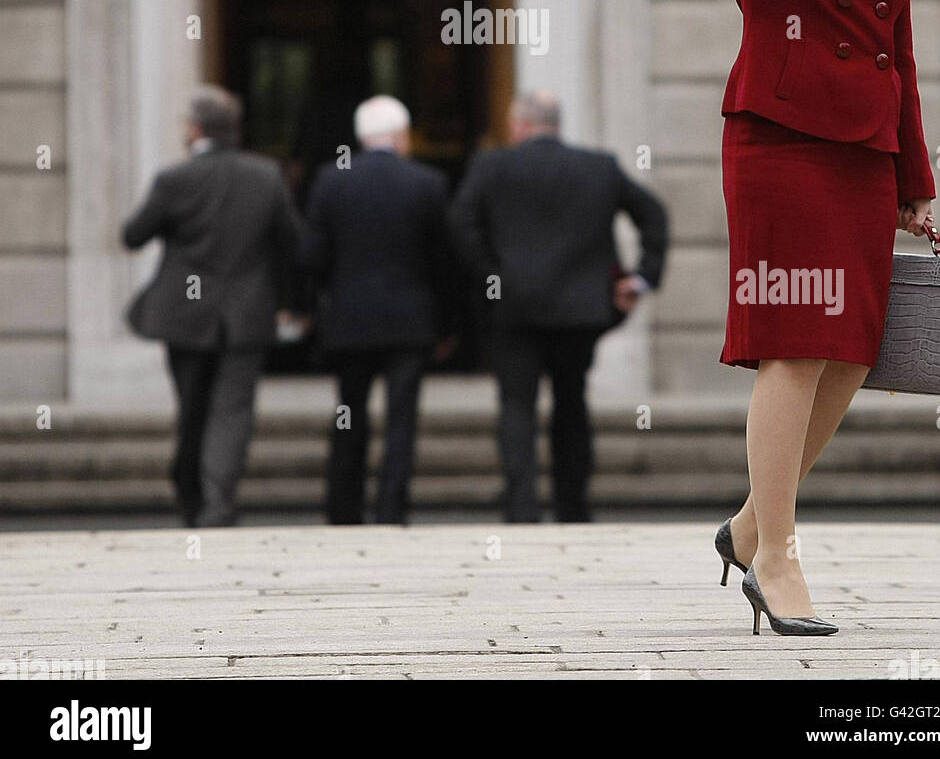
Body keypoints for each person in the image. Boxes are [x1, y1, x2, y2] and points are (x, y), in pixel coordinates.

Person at [674, 0, 935, 635]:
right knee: (794, 345)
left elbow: (897, 51)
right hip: (782, 144)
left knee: (851, 355)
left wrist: (915, 179)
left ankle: (748, 523)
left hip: (865, 153)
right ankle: (776, 555)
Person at [447, 92, 669, 523]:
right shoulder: (598, 167)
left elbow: (460, 223)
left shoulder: (491, 166)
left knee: (516, 406)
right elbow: (653, 214)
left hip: (514, 308)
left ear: (521, 125)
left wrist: (490, 275)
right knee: (572, 403)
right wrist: (640, 278)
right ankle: (573, 505)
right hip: (580, 311)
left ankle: (522, 505)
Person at [122, 85, 302, 527]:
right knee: (232, 412)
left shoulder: (174, 180)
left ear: (196, 129)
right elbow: (295, 245)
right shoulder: (266, 176)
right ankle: (218, 504)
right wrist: (294, 302)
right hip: (245, 312)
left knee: (193, 409)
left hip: (185, 313)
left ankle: (191, 493)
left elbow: (133, 236)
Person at [301, 95, 456, 525]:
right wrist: (448, 325)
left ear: (361, 136)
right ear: (402, 136)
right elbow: (444, 263)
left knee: (349, 414)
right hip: (410, 321)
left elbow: (312, 256)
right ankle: (392, 510)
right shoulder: (427, 182)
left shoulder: (331, 181)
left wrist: (312, 308)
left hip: (350, 321)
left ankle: (343, 509)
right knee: (401, 419)